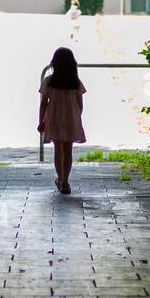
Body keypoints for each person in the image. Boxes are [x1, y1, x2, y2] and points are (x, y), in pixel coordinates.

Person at [37, 47, 87, 194]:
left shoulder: (49, 81)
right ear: (73, 64)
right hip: (71, 118)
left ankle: (60, 179)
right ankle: (65, 182)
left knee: (58, 150)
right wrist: (77, 118)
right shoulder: (76, 82)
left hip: (54, 118)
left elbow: (43, 103)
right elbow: (80, 103)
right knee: (68, 150)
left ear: (54, 63)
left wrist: (41, 121)